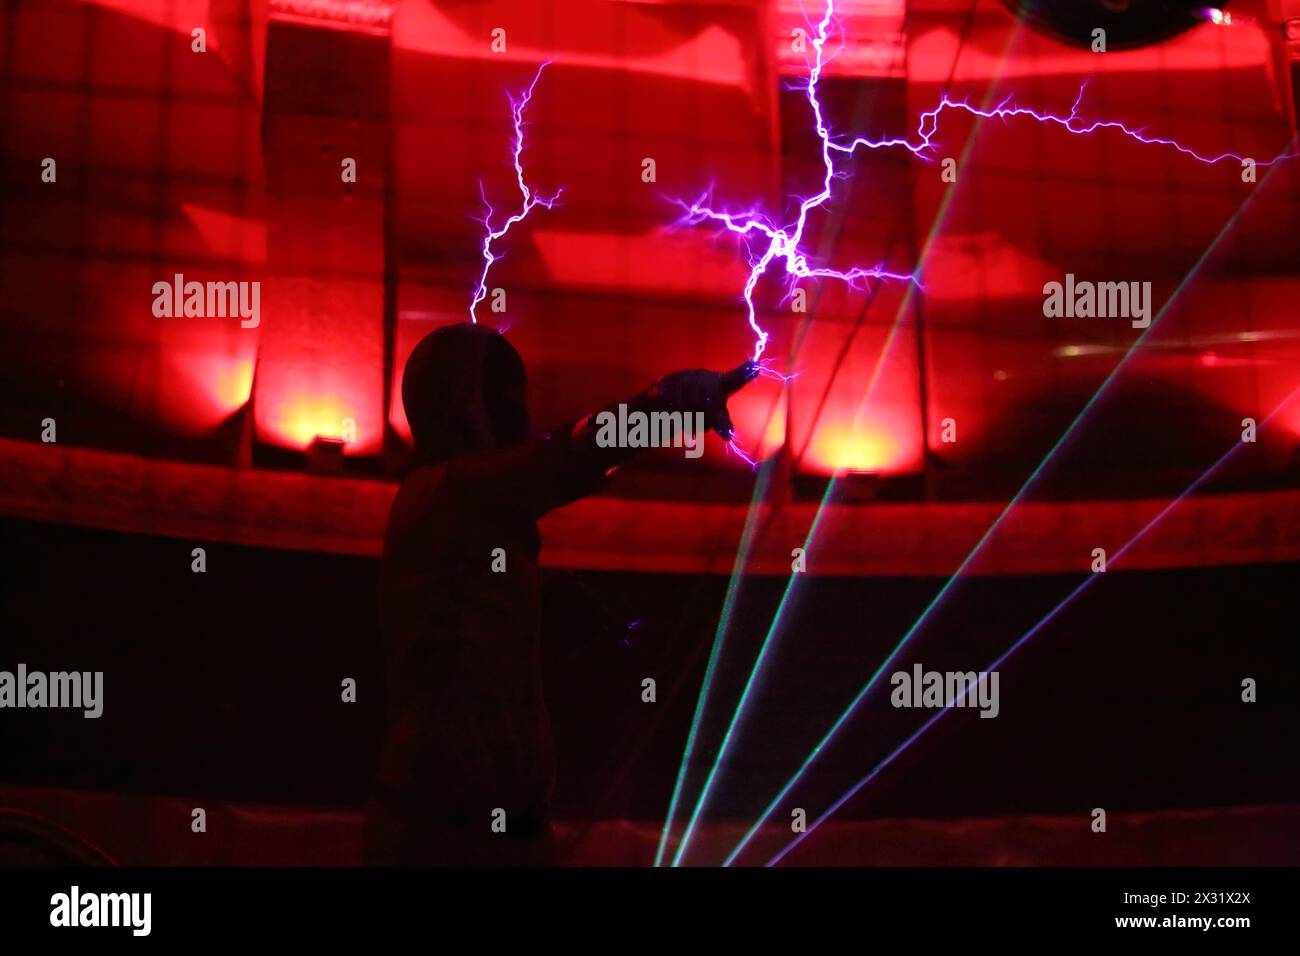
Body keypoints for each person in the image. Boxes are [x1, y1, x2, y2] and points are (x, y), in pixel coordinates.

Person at [363, 322, 757, 865]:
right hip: (443, 837)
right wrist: (662, 409)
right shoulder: (446, 491)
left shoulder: (469, 513)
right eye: (504, 402)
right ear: (464, 408)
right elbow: (565, 458)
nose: (520, 419)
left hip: (494, 829)